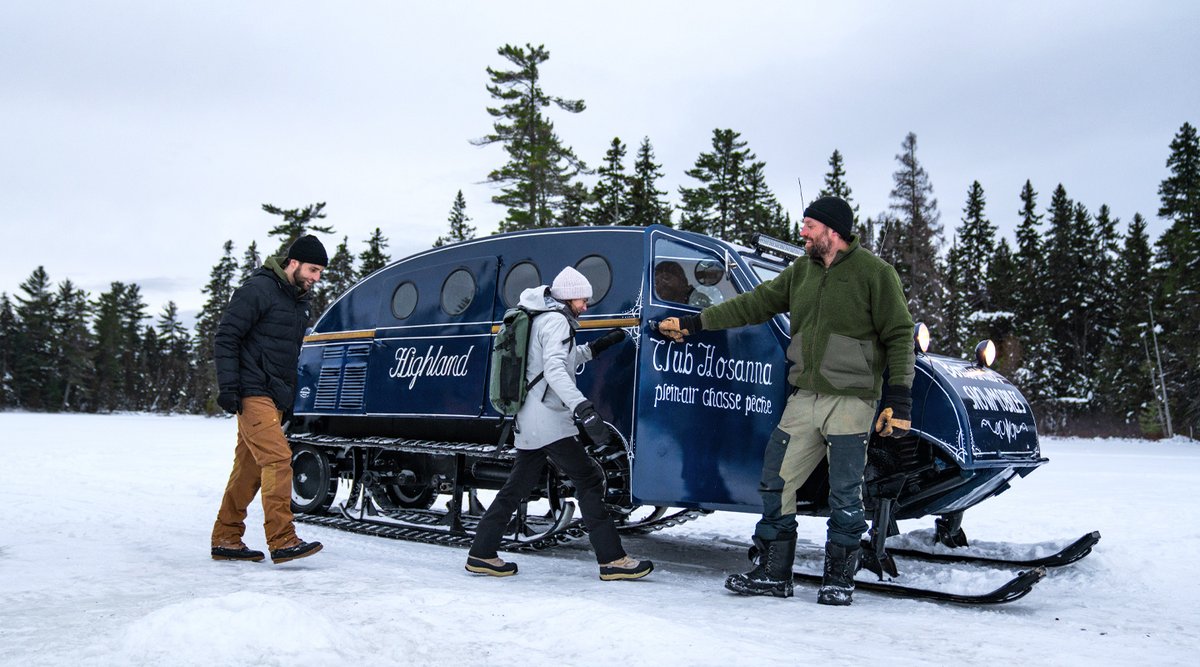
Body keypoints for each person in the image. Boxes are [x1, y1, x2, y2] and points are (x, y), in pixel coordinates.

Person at [659, 196, 915, 605]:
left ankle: (839, 579)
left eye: (809, 226)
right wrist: (695, 323)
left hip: (852, 400)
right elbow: (754, 303)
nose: (803, 233)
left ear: (833, 231)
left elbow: (900, 336)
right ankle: (773, 573)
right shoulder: (802, 271)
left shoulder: (875, 274)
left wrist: (898, 402)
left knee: (845, 491)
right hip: (805, 396)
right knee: (776, 479)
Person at [466, 266, 653, 581]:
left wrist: (599, 346)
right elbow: (554, 370)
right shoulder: (556, 322)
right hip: (549, 419)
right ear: (568, 297)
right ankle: (612, 560)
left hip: (531, 417)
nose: (586, 305)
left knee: (517, 487)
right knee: (590, 479)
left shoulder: (542, 317)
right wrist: (583, 407)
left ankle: (481, 552)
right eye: (582, 299)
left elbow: (558, 360)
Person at [210, 234, 329, 565]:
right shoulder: (258, 290)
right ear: (293, 263)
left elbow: (286, 354)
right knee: (278, 460)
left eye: (320, 272)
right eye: (312, 270)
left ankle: (226, 537)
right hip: (251, 391)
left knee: (248, 470)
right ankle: (282, 539)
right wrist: (229, 387)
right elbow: (226, 336)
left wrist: (288, 399)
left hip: (274, 394)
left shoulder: (296, 300)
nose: (316, 278)